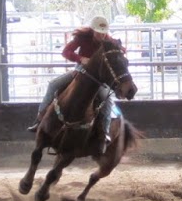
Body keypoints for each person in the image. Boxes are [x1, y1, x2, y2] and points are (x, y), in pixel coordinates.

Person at [31, 16, 121, 151]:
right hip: (81, 71)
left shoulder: (109, 42)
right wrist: (80, 58)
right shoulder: (83, 38)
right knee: (53, 85)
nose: (101, 35)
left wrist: (119, 50)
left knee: (107, 101)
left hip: (98, 79)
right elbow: (66, 52)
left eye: (103, 32)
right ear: (92, 30)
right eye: (98, 32)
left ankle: (104, 133)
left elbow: (121, 52)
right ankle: (40, 119)